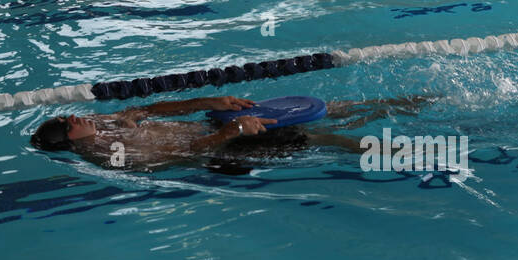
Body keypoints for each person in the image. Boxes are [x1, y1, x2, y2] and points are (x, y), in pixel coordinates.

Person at [30, 94, 429, 172]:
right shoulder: (111, 157)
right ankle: (415, 155)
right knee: (329, 138)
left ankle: (416, 102)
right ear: (70, 143)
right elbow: (185, 155)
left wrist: (209, 102)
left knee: (334, 108)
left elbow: (146, 109)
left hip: (216, 126)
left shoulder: (104, 125)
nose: (73, 119)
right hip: (228, 148)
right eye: (67, 125)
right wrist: (234, 130)